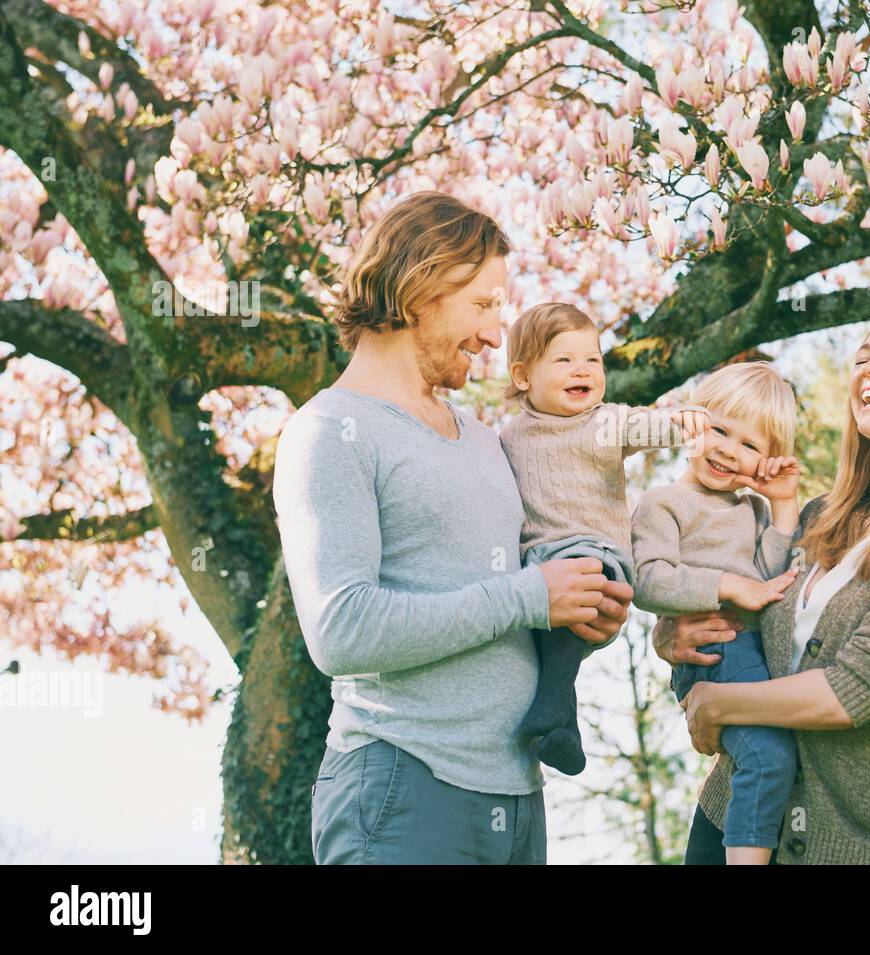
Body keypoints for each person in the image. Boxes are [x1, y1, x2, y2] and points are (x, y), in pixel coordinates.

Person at [272, 191, 632, 864]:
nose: (497, 335)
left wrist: (577, 610)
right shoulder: (330, 432)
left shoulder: (485, 441)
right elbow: (341, 630)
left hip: (518, 796)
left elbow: (503, 604)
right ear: (422, 286)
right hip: (405, 791)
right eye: (485, 305)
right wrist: (530, 596)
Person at [653, 300, 870, 865]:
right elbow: (746, 607)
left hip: (852, 850)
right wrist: (673, 634)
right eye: (863, 356)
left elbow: (856, 691)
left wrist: (719, 703)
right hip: (729, 825)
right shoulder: (820, 516)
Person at [498, 302, 711, 775]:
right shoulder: (508, 438)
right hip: (538, 562)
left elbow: (645, 423)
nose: (583, 370)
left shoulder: (603, 422)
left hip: (599, 557)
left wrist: (681, 421)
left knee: (579, 582)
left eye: (593, 360)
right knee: (549, 629)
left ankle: (552, 708)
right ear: (523, 375)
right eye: (564, 360)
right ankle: (561, 725)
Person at [630, 361, 802, 864]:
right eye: (720, 430)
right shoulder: (665, 503)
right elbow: (648, 581)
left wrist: (785, 505)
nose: (729, 449)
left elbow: (773, 578)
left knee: (768, 755)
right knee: (768, 758)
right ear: (691, 424)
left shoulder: (752, 510)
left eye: (750, 445)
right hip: (716, 650)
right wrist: (727, 586)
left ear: (767, 460)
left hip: (750, 651)